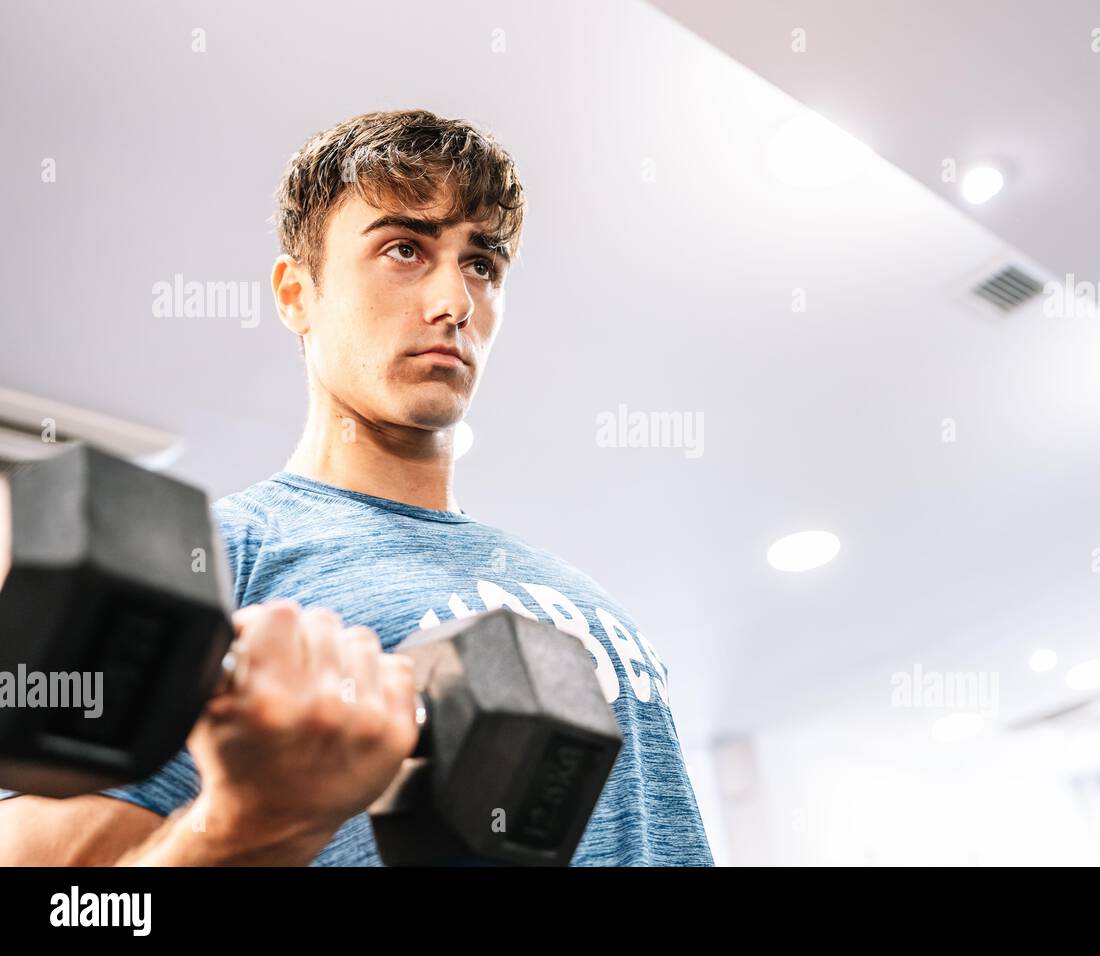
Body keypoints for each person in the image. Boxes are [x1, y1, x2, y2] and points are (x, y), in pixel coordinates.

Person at [0, 109, 713, 866]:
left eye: (482, 264)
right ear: (295, 293)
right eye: (405, 249)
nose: (456, 303)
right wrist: (249, 822)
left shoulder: (589, 597)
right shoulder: (218, 560)